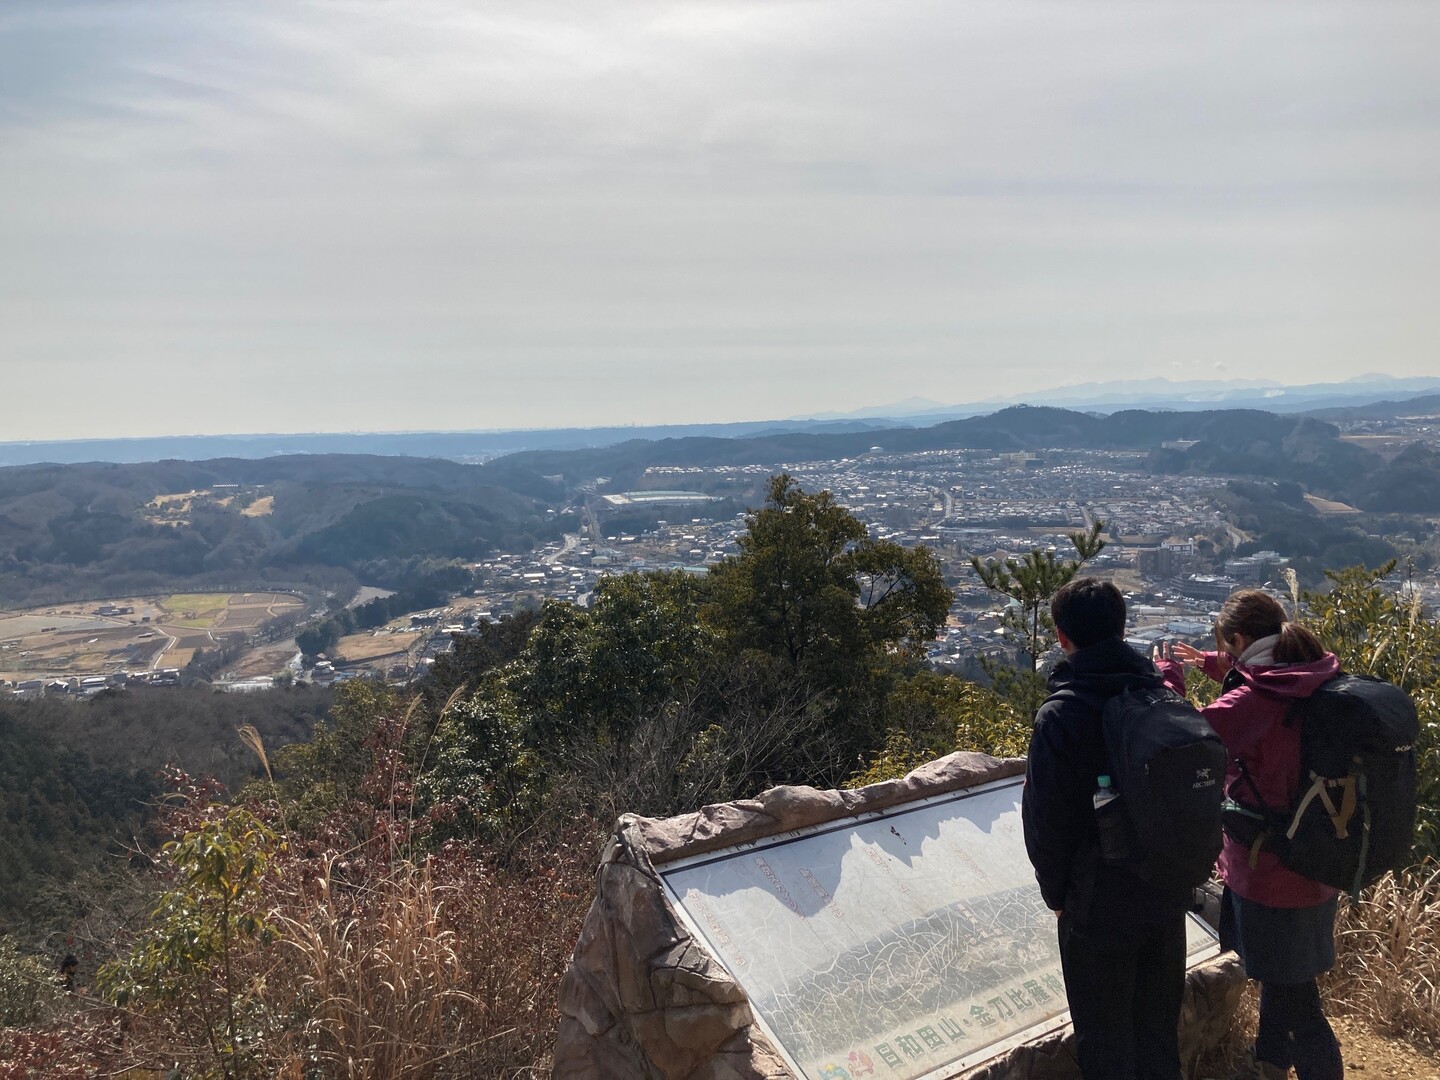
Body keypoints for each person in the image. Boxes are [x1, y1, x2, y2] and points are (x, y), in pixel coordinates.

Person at [1156, 589, 1344, 1080]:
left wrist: (1170, 682)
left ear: (1240, 639)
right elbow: (1267, 695)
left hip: (1268, 871)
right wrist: (1219, 665)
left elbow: (1184, 738)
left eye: (1230, 647)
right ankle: (1268, 1063)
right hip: (1316, 860)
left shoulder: (1254, 701)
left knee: (1296, 996)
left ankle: (1314, 1068)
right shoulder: (1313, 672)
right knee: (1285, 981)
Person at [1023, 577, 1194, 1080]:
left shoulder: (1063, 713)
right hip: (1166, 893)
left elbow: (1045, 820)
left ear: (1061, 638)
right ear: (1122, 629)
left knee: (1105, 1045)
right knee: (1158, 1039)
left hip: (1096, 902)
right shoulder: (1162, 698)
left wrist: (1058, 894)